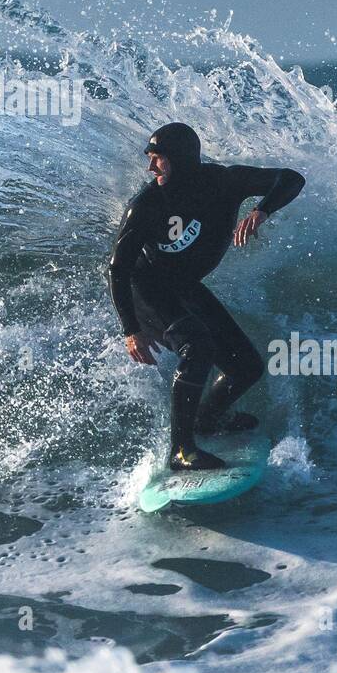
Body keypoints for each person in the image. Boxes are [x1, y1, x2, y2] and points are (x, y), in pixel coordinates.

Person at [108, 123, 305, 471]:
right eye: (150, 159)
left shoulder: (224, 182)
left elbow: (290, 179)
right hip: (146, 288)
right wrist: (130, 329)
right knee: (197, 346)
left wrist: (262, 210)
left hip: (182, 286)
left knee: (246, 367)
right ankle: (181, 450)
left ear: (181, 161)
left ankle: (206, 421)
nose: (151, 168)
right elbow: (118, 268)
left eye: (159, 160)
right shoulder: (147, 205)